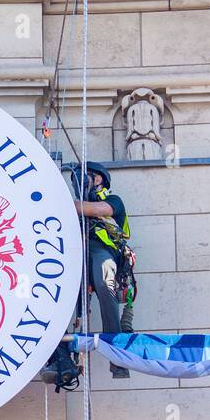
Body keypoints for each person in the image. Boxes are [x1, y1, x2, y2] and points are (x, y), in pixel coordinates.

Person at [73, 161, 132, 380]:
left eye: (86, 176)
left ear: (99, 179)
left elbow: (98, 210)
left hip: (103, 251)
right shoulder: (74, 204)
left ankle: (117, 355)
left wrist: (61, 203)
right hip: (77, 253)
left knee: (104, 280)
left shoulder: (113, 200)